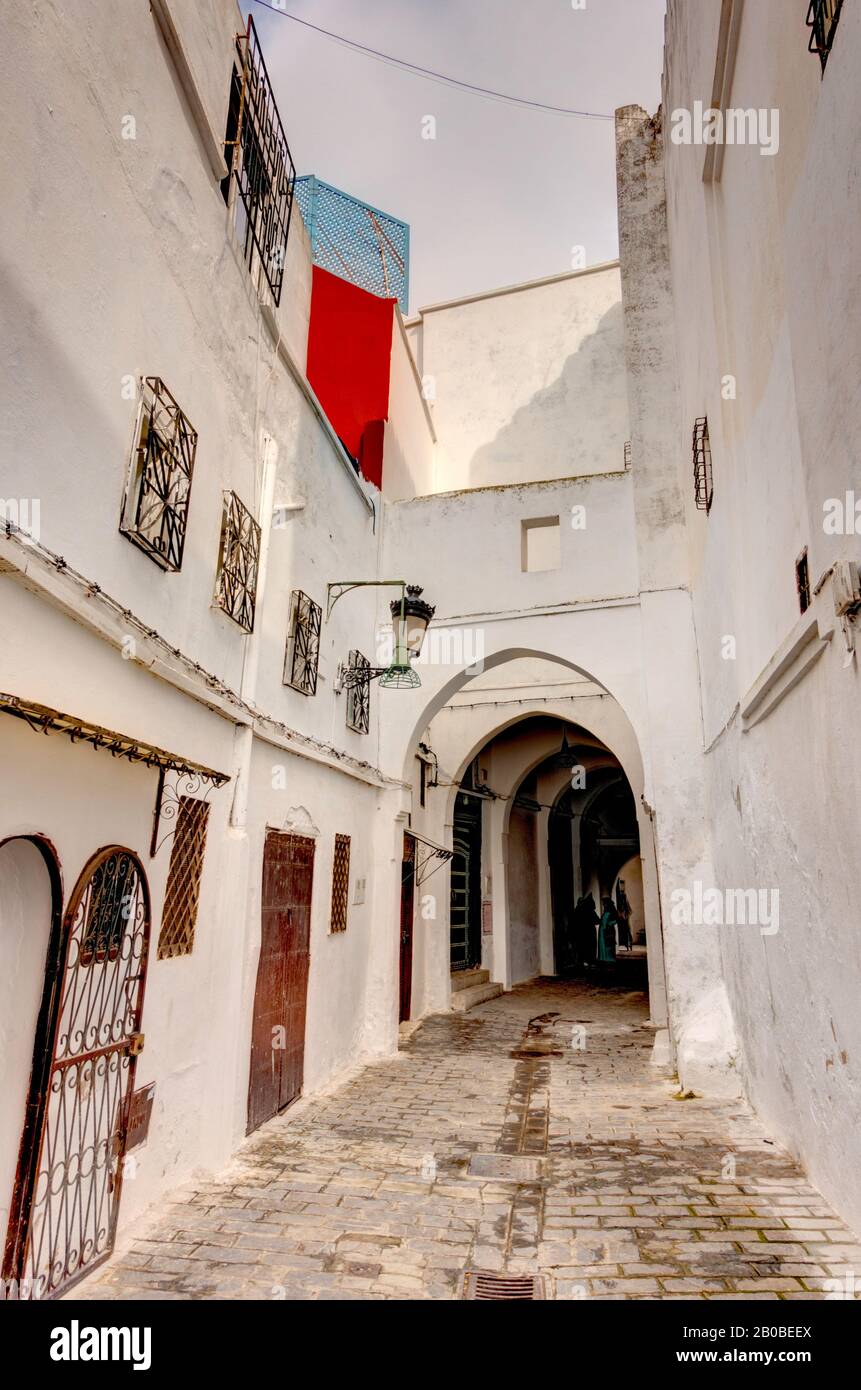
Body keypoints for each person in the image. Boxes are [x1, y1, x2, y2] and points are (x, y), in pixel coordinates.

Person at [571, 893, 599, 969]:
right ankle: (588, 961)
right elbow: (597, 921)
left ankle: (583, 961)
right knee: (589, 947)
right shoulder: (589, 911)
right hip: (588, 933)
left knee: (583, 948)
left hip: (581, 933)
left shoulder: (577, 910)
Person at [597, 896, 618, 965]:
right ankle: (605, 958)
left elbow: (615, 920)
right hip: (604, 931)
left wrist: (609, 924)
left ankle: (609, 959)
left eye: (604, 904)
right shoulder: (607, 912)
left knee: (608, 944)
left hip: (607, 931)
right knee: (606, 944)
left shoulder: (610, 912)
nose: (603, 905)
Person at [616, 880, 633, 952]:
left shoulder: (625, 901)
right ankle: (627, 945)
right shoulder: (620, 901)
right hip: (622, 919)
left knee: (628, 931)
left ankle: (629, 945)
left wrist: (625, 916)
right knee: (624, 932)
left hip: (626, 918)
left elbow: (630, 911)